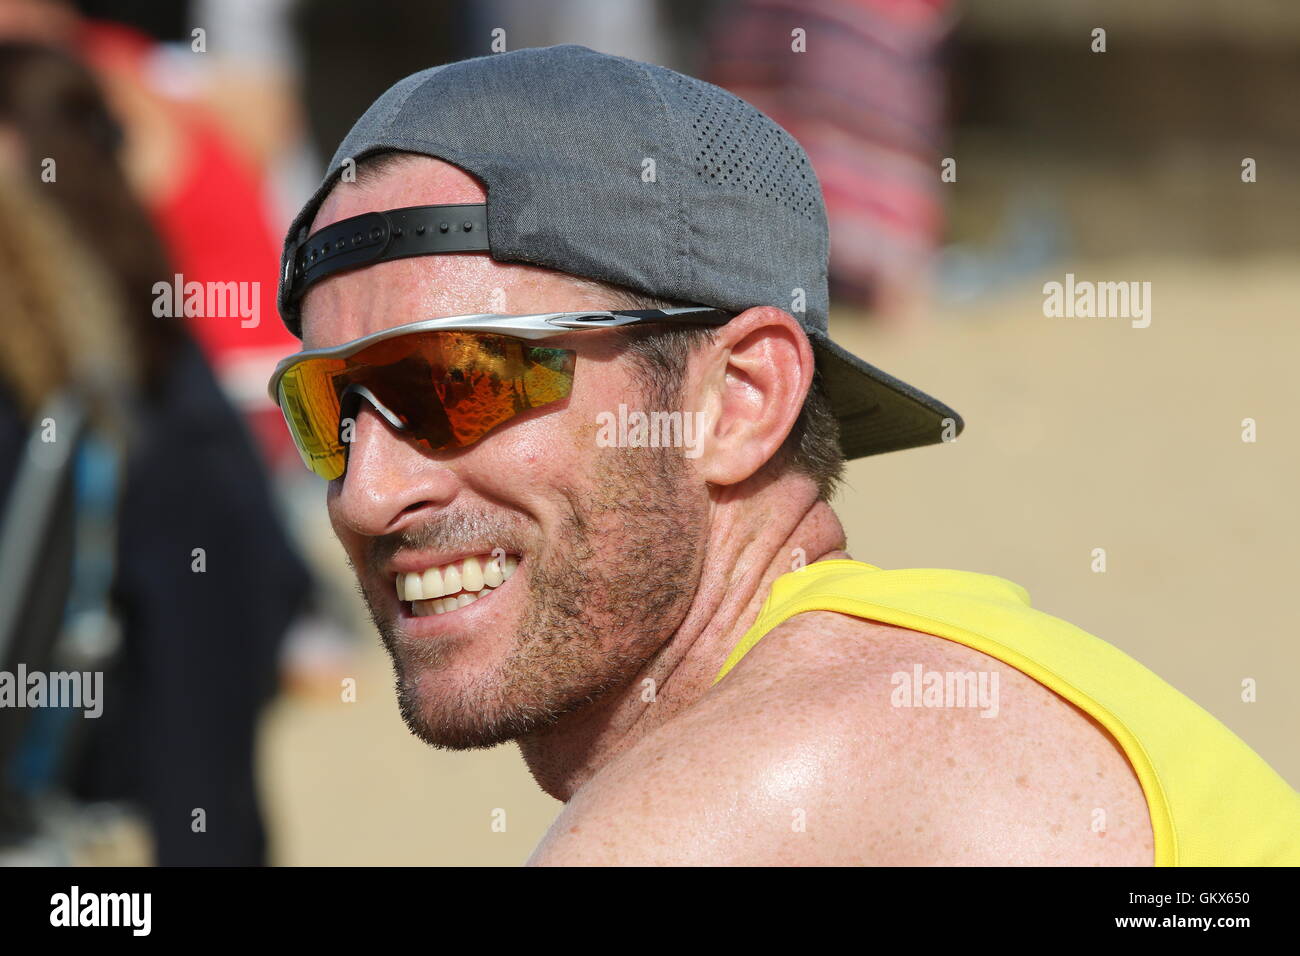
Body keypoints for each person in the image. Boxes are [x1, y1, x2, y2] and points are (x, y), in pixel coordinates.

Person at [269, 45, 1299, 866]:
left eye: (460, 382)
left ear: (741, 399)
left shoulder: (763, 787)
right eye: (330, 408)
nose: (366, 493)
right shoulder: (957, 674)